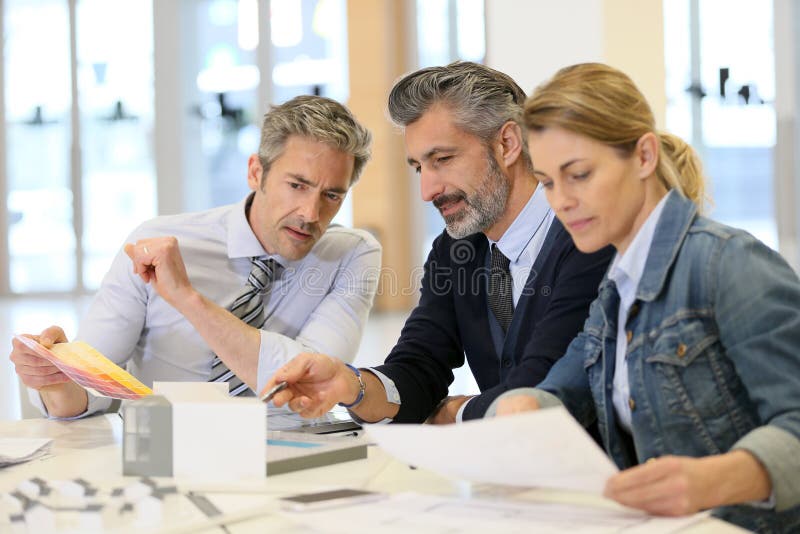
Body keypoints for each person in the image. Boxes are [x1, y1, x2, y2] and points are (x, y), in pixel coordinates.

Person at [484, 63, 800, 531]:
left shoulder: (728, 264)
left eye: (579, 174)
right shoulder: (615, 289)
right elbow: (563, 390)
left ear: (645, 156)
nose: (561, 201)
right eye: (548, 182)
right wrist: (525, 406)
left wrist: (720, 479)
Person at [261, 62, 613, 424]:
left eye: (442, 160)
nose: (427, 191)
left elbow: (541, 389)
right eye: (419, 167)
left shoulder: (588, 236)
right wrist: (350, 384)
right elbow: (417, 368)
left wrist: (456, 413)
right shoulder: (455, 251)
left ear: (507, 144)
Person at [10, 95, 381, 419]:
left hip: (287, 453)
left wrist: (188, 299)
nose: (311, 213)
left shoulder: (351, 255)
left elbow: (309, 382)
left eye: (332, 195)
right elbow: (93, 388)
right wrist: (55, 380)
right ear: (256, 172)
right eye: (297, 185)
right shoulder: (155, 245)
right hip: (164, 450)